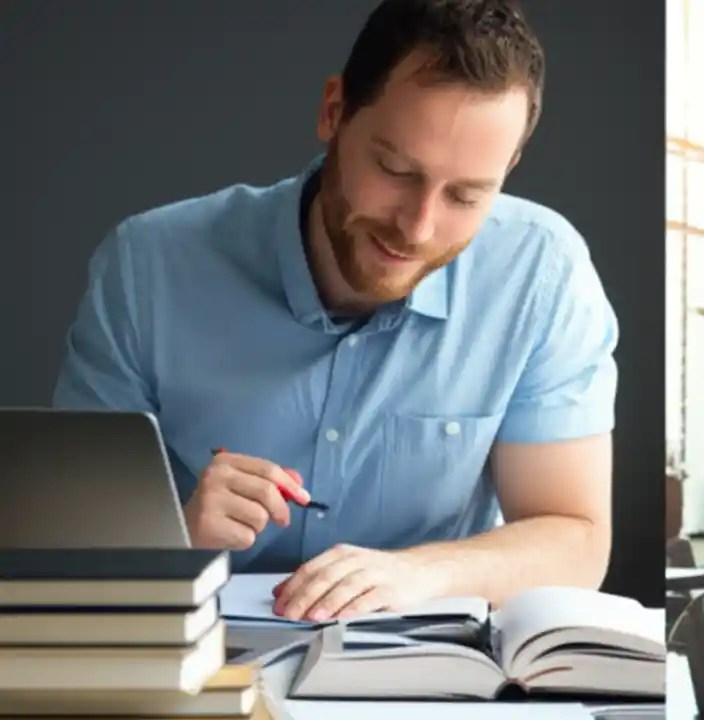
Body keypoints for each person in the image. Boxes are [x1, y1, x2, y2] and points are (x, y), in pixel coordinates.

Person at [52, 0, 618, 622]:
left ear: (507, 170)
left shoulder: (540, 271)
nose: (418, 228)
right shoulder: (148, 267)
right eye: (395, 170)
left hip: (430, 666)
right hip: (201, 659)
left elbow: (575, 539)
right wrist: (178, 538)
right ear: (333, 111)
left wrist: (421, 573)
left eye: (466, 195)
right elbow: (65, 550)